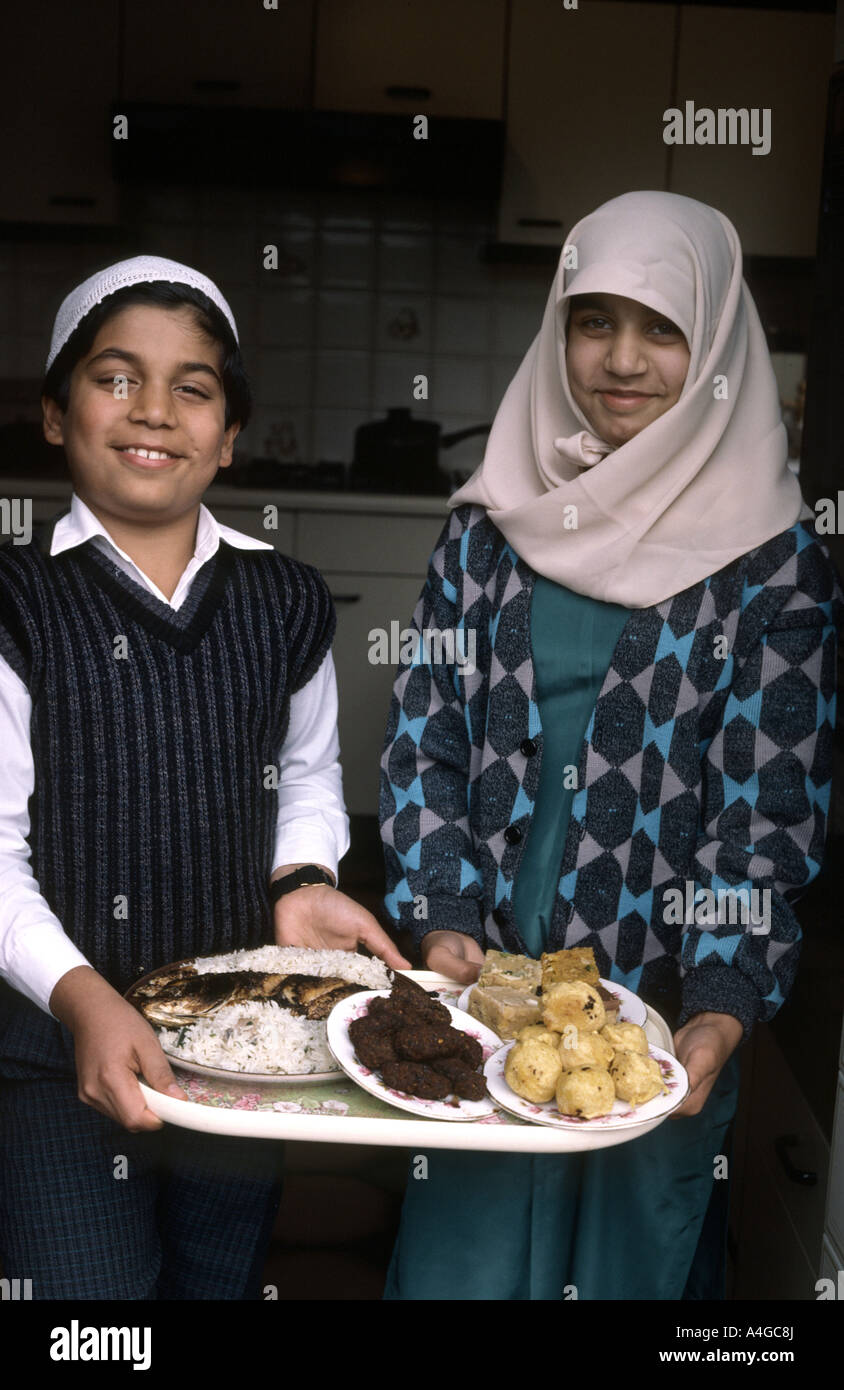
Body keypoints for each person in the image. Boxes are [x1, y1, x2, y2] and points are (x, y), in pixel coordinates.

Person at [379, 191, 841, 1300]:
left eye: (661, 329)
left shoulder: (772, 564)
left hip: (658, 1017)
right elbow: (422, 740)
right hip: (483, 994)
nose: (620, 360)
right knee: (461, 1267)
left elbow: (766, 813)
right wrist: (444, 929)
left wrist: (720, 1006)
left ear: (719, 346)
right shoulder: (487, 527)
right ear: (558, 330)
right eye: (593, 321)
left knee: (631, 1273)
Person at [0, 255, 409, 1300]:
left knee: (218, 1279)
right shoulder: (19, 604)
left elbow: (312, 775)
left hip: (245, 1046)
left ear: (229, 435)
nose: (154, 410)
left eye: (193, 387)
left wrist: (298, 881)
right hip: (58, 1051)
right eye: (114, 376)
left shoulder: (283, 601)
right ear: (54, 413)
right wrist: (84, 999)